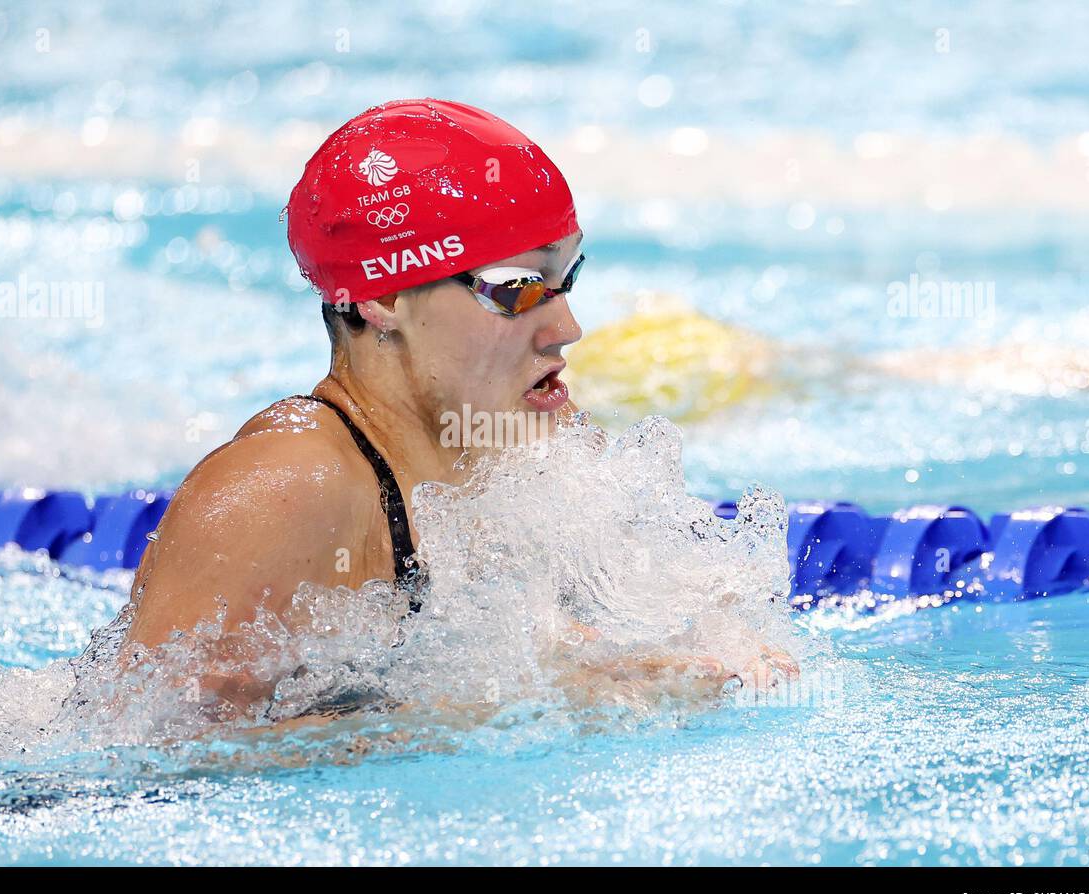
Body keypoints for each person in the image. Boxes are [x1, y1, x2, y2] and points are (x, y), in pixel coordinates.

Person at [117, 99, 787, 716]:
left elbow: (654, 607)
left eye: (565, 279)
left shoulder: (531, 439)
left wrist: (724, 648)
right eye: (518, 288)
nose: (568, 326)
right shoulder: (281, 490)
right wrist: (484, 714)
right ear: (384, 298)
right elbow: (150, 746)